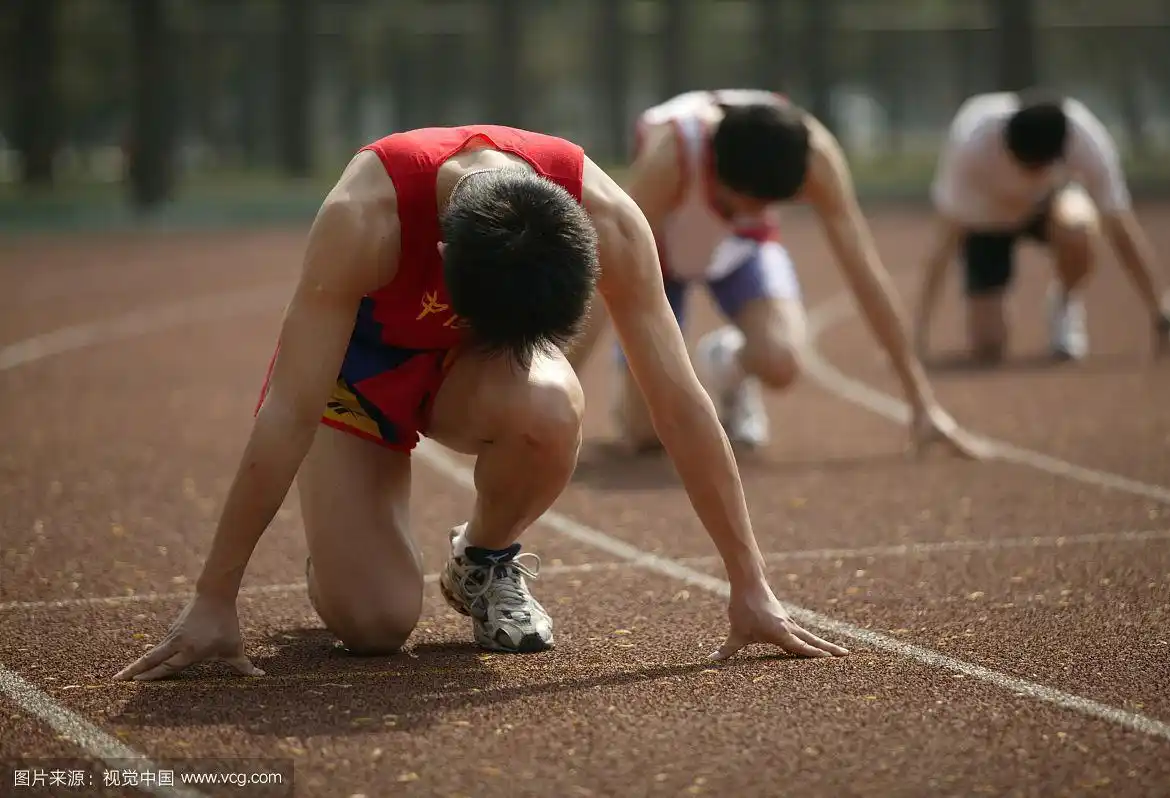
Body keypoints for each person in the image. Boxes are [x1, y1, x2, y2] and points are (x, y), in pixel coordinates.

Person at [112, 124, 851, 682]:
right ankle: (339, 541)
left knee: (551, 405)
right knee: (374, 625)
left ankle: (485, 561)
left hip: (474, 375)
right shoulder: (364, 217)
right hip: (357, 376)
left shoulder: (609, 218)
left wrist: (750, 584)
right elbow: (288, 409)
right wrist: (215, 596)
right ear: (440, 260)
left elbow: (681, 402)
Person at [565, 89, 985, 456]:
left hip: (743, 251)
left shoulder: (814, 155)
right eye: (739, 206)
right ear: (715, 172)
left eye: (767, 207)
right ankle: (635, 405)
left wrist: (922, 402)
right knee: (646, 437)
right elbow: (603, 274)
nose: (753, 212)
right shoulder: (671, 157)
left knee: (781, 359)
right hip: (660, 258)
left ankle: (726, 368)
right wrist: (560, 390)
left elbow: (863, 269)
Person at [914, 89, 1170, 364]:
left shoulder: (1085, 138)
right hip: (987, 220)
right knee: (988, 346)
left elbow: (1121, 230)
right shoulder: (970, 145)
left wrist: (1164, 321)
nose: (1030, 178)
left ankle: (1064, 302)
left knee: (1078, 229)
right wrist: (918, 334)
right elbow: (944, 242)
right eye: (1027, 170)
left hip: (1049, 206)